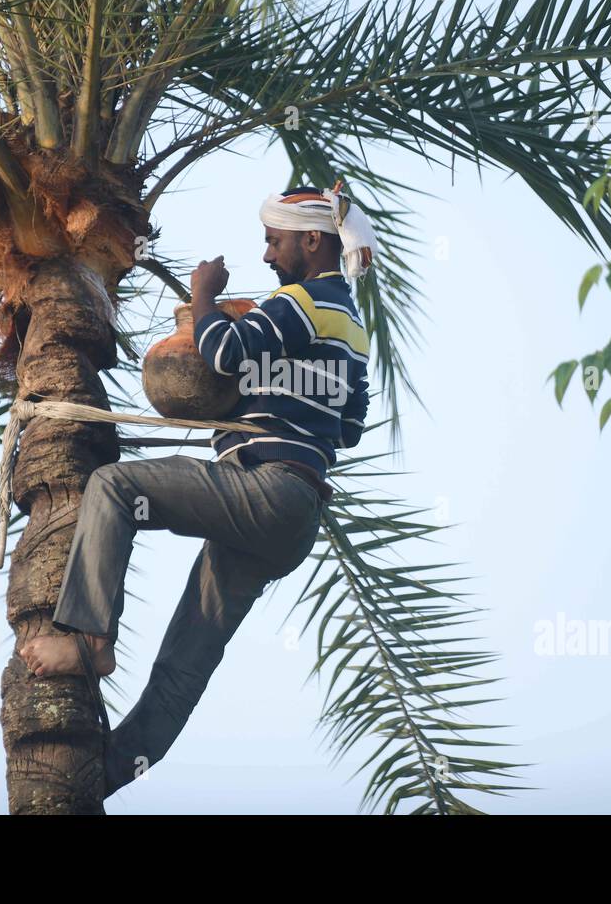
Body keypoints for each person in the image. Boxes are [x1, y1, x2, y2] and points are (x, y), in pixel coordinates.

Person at [19, 183, 375, 798]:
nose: (267, 255)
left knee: (113, 484)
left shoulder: (303, 300)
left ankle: (89, 640)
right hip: (292, 520)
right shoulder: (350, 323)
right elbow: (348, 426)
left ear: (310, 240)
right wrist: (273, 394)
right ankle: (102, 776)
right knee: (190, 655)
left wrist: (204, 293)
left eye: (274, 239)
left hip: (268, 491)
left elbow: (222, 350)